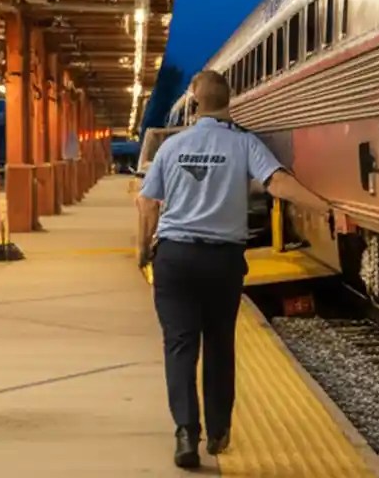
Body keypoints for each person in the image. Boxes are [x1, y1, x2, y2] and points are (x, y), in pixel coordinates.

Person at [135, 70, 332, 470]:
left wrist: (143, 249)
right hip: (222, 261)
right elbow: (277, 183)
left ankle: (186, 433)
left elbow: (147, 203)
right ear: (230, 102)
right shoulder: (244, 144)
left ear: (194, 102)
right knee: (220, 343)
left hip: (174, 257)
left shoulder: (172, 148)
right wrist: (327, 209)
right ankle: (220, 431)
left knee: (180, 346)